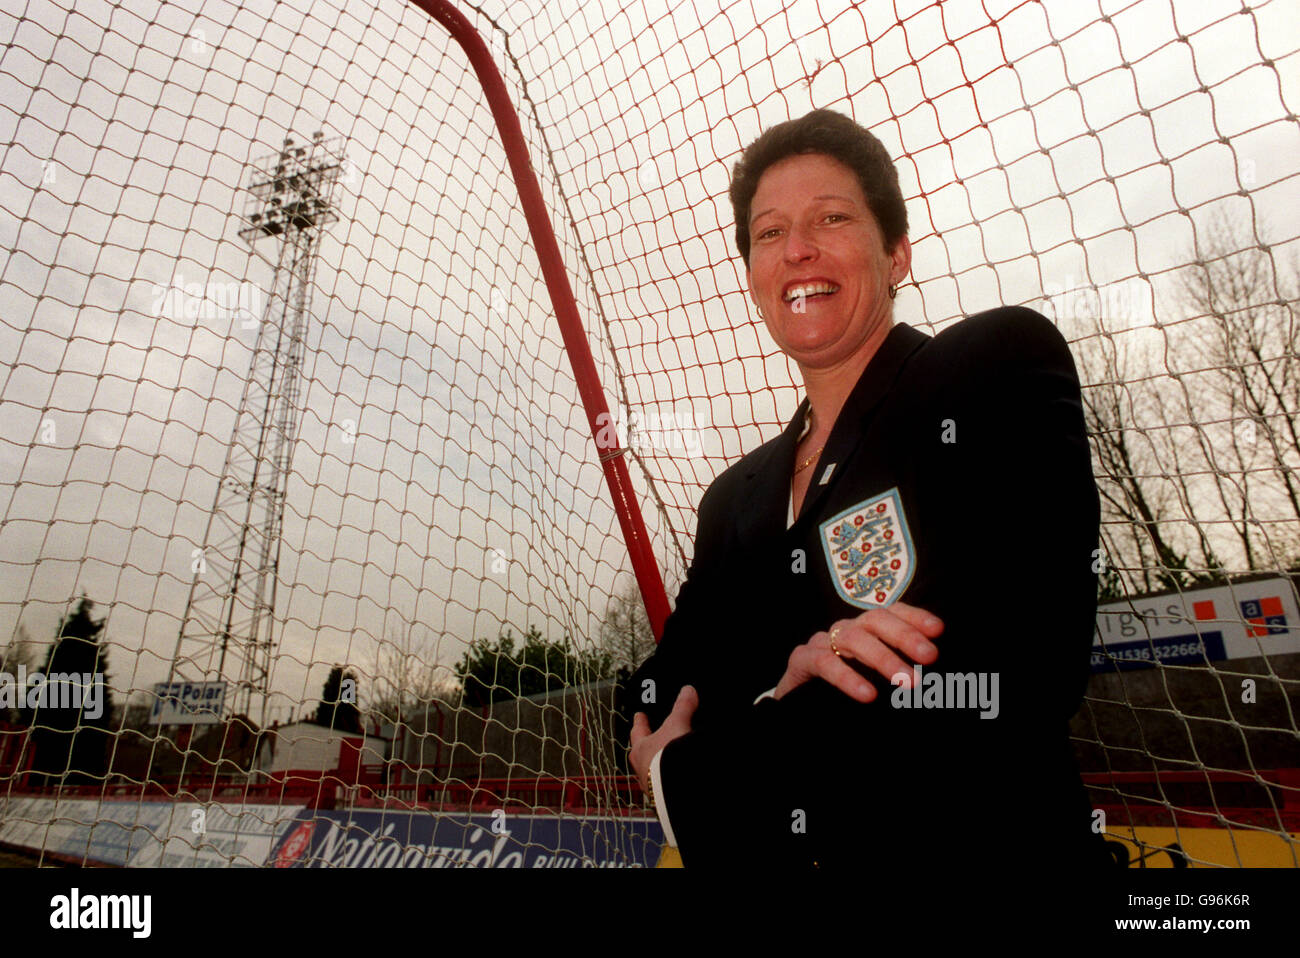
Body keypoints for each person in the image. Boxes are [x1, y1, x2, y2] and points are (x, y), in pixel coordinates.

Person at [624, 108, 1108, 869]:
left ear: (897, 253)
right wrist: (779, 700)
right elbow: (657, 696)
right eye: (770, 233)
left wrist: (700, 764)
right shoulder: (731, 498)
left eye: (832, 217)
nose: (798, 250)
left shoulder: (990, 372)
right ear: (751, 274)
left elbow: (1010, 673)